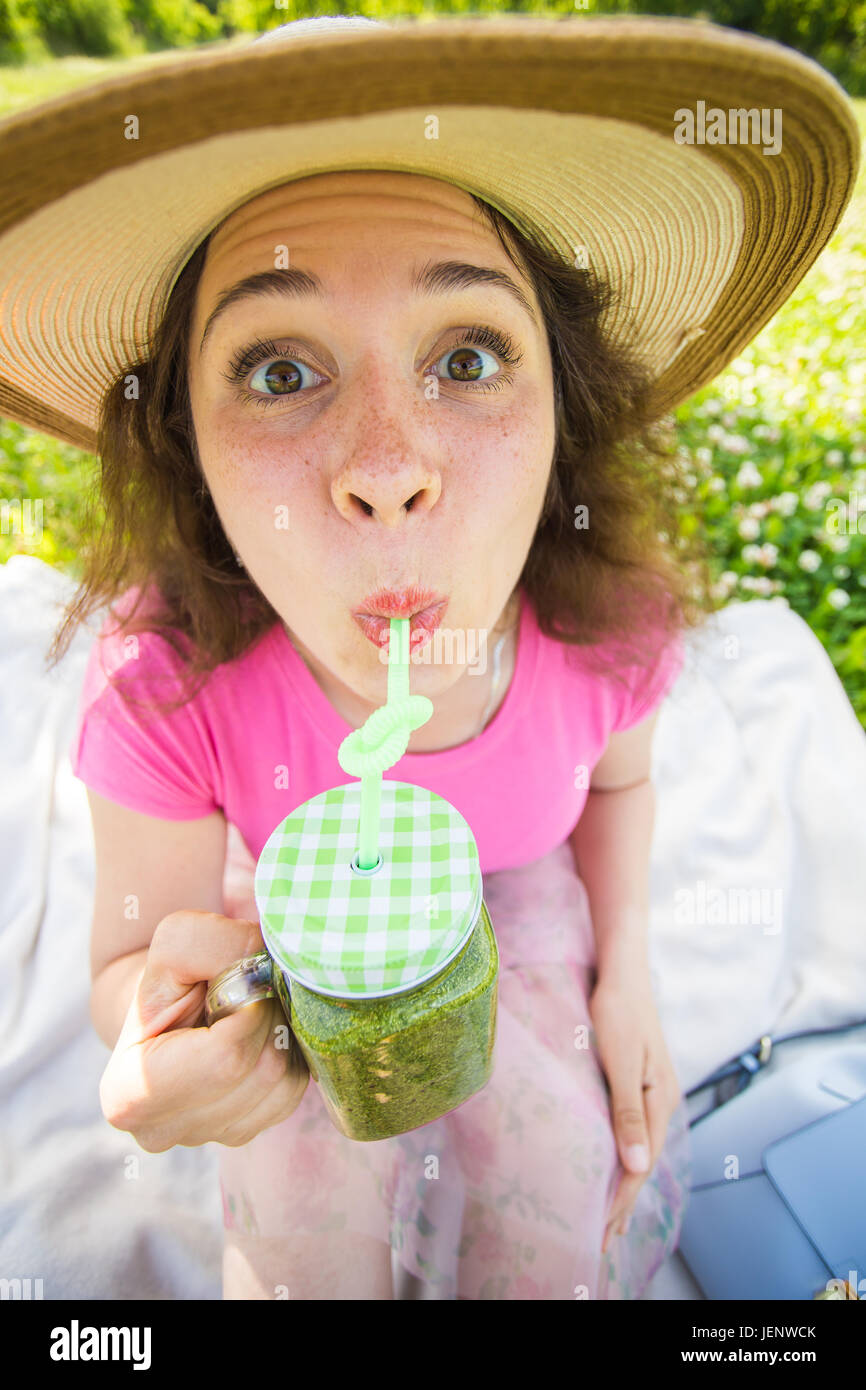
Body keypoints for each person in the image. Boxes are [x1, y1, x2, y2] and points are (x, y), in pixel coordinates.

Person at [0, 13, 856, 1300]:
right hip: (305, 944)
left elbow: (617, 790)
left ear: (565, 408)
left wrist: (624, 973)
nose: (387, 471)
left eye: (467, 356)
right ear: (185, 443)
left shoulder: (600, 643)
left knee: (550, 1191)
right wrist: (158, 1043)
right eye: (281, 370)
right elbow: (132, 964)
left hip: (520, 902)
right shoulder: (167, 686)